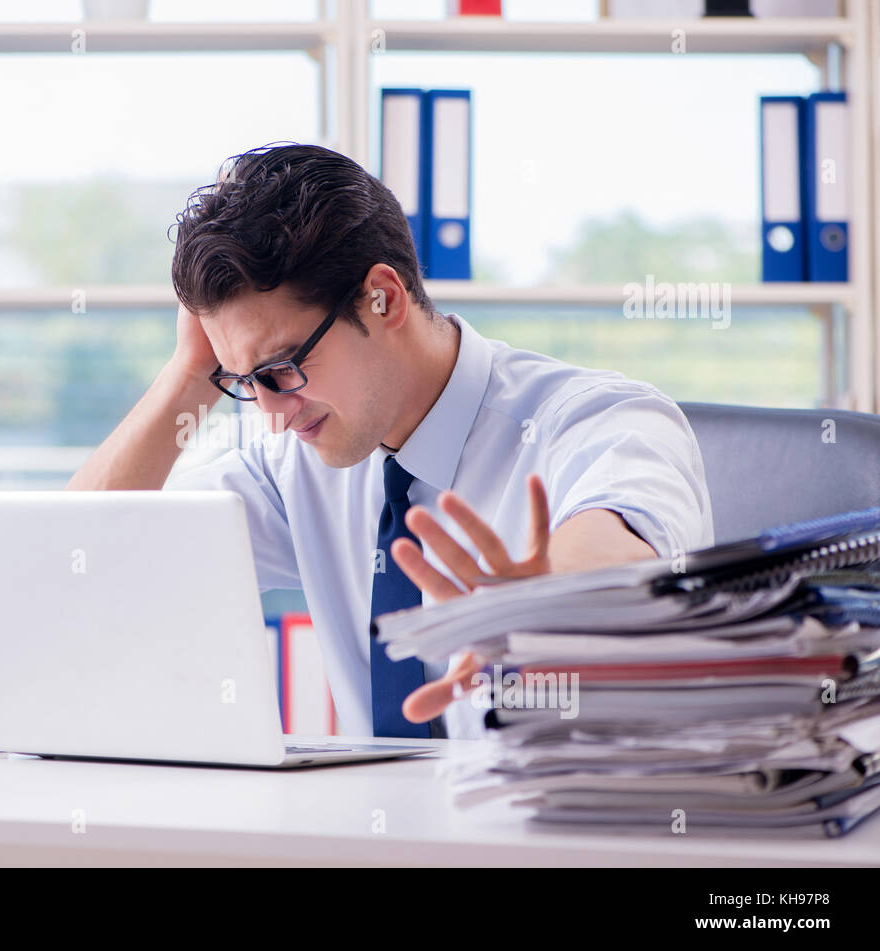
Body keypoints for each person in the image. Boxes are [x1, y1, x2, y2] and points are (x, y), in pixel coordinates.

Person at [68, 143, 713, 738]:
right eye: (244, 382)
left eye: (282, 369)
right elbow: (82, 558)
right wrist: (188, 378)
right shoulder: (297, 463)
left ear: (381, 299)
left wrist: (543, 607)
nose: (273, 416)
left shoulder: (600, 421)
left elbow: (614, 553)